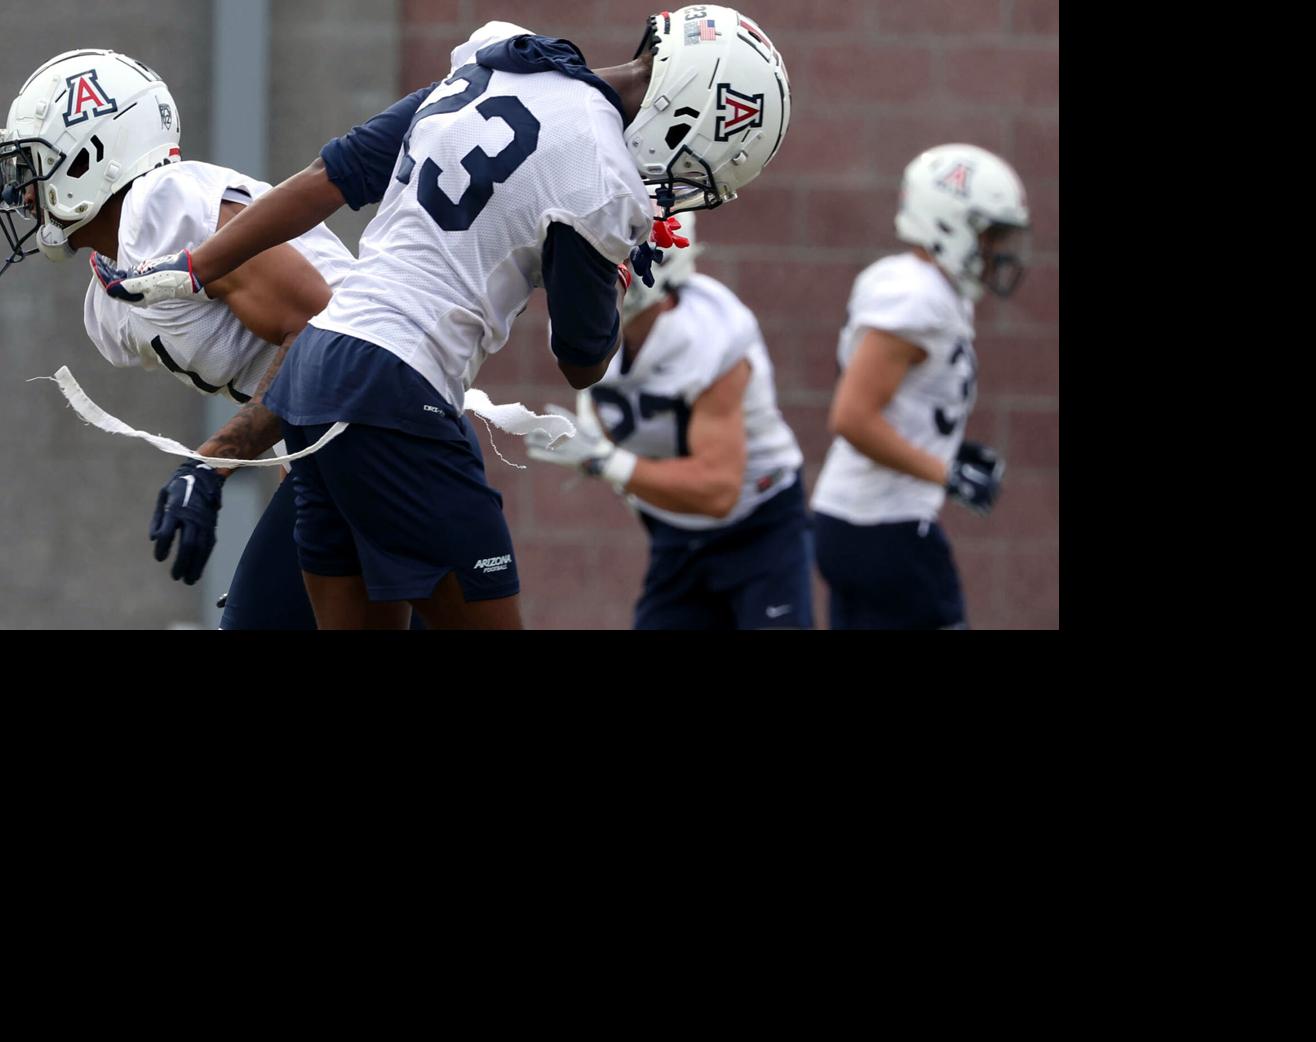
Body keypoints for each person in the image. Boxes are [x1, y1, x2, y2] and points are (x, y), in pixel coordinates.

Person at [92, 9, 792, 629]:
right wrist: (615, 267)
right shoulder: (604, 176)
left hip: (316, 376)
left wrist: (195, 266)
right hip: (399, 395)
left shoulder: (499, 61)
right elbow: (581, 359)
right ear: (691, 114)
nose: (680, 183)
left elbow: (324, 180)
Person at [1, 48, 358, 629]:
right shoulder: (109, 304)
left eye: (33, 166)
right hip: (345, 442)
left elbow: (327, 333)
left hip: (377, 423)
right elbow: (283, 374)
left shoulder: (162, 209)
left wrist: (210, 464)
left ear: (89, 155)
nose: (22, 191)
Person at [525, 212, 812, 629]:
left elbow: (718, 492)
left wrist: (607, 462)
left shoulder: (710, 333)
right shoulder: (585, 321)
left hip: (756, 522)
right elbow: (602, 402)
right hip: (673, 526)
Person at [810, 144, 1027, 630]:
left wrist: (950, 448)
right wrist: (944, 472)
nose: (997, 251)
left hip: (864, 522)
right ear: (950, 223)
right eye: (989, 235)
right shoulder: (917, 296)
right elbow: (852, 417)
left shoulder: (931, 290)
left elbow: (901, 404)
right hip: (883, 526)